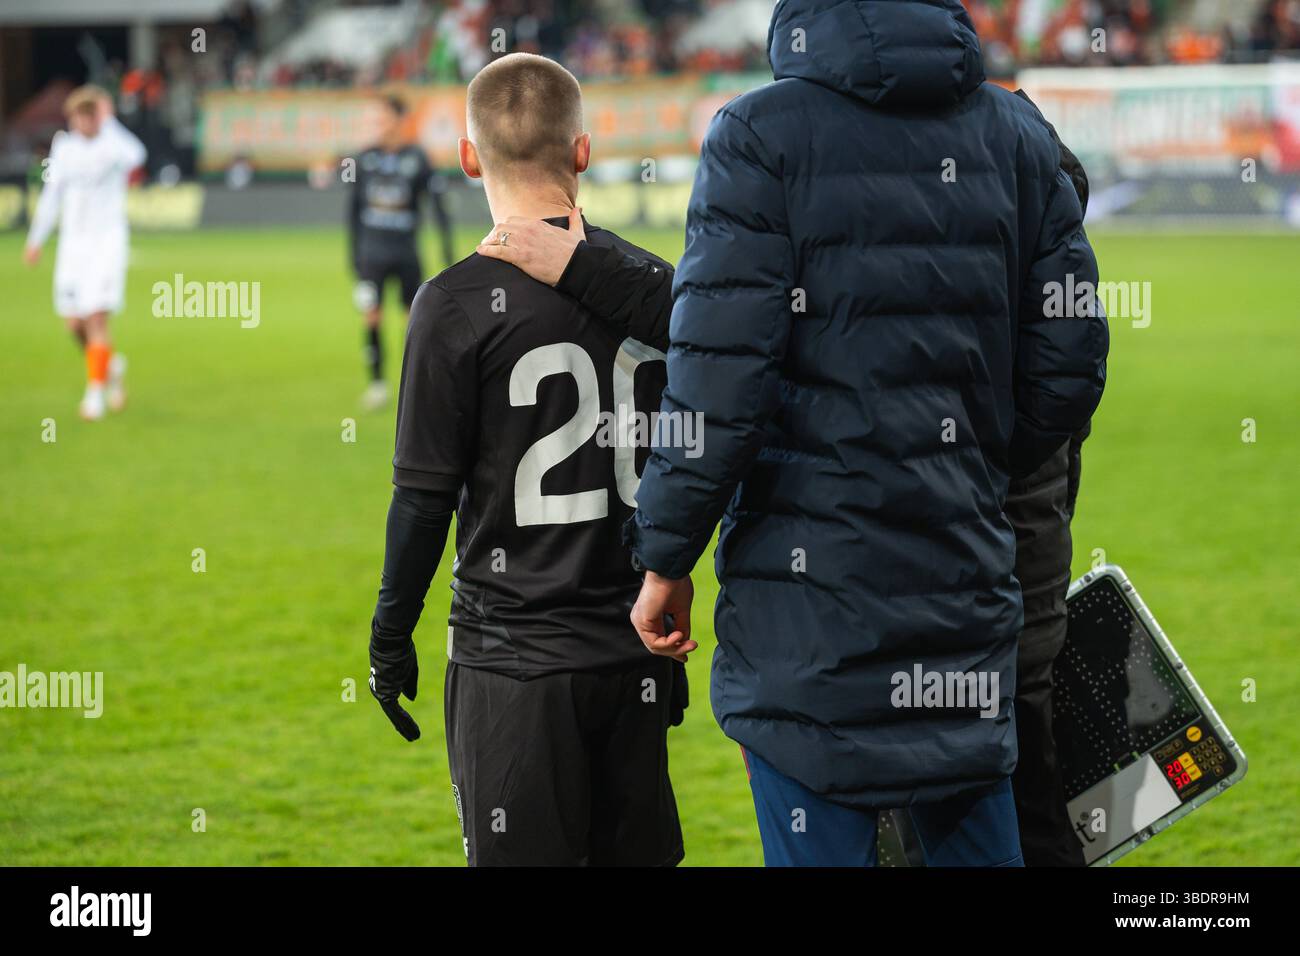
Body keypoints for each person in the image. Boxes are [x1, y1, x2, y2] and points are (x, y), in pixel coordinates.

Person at [620, 0, 1108, 867]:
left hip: (807, 607)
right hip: (961, 583)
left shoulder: (760, 135)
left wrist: (665, 555)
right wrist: (971, 465)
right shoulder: (1017, 134)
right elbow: (1068, 358)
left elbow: (716, 379)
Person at [366, 53, 685, 866]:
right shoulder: (652, 287)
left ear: (469, 157)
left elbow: (422, 499)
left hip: (513, 662)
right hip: (634, 647)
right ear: (583, 151)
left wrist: (389, 636)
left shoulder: (453, 302)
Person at [23, 85, 146, 422]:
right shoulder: (64, 149)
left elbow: (138, 155)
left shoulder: (112, 145)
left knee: (96, 317)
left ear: (97, 117)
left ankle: (95, 394)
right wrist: (36, 239)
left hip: (106, 242)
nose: (83, 122)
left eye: (90, 116)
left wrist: (111, 123)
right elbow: (51, 196)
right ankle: (110, 366)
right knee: (74, 323)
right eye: (78, 116)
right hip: (72, 246)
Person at [347, 94, 455, 411]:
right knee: (372, 316)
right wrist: (353, 258)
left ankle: (416, 386)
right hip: (371, 255)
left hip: (406, 253)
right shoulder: (362, 160)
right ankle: (377, 383)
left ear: (398, 120)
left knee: (414, 323)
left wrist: (448, 254)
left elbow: (439, 210)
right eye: (372, 121)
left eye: (380, 119)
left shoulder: (418, 158)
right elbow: (353, 212)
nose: (375, 126)